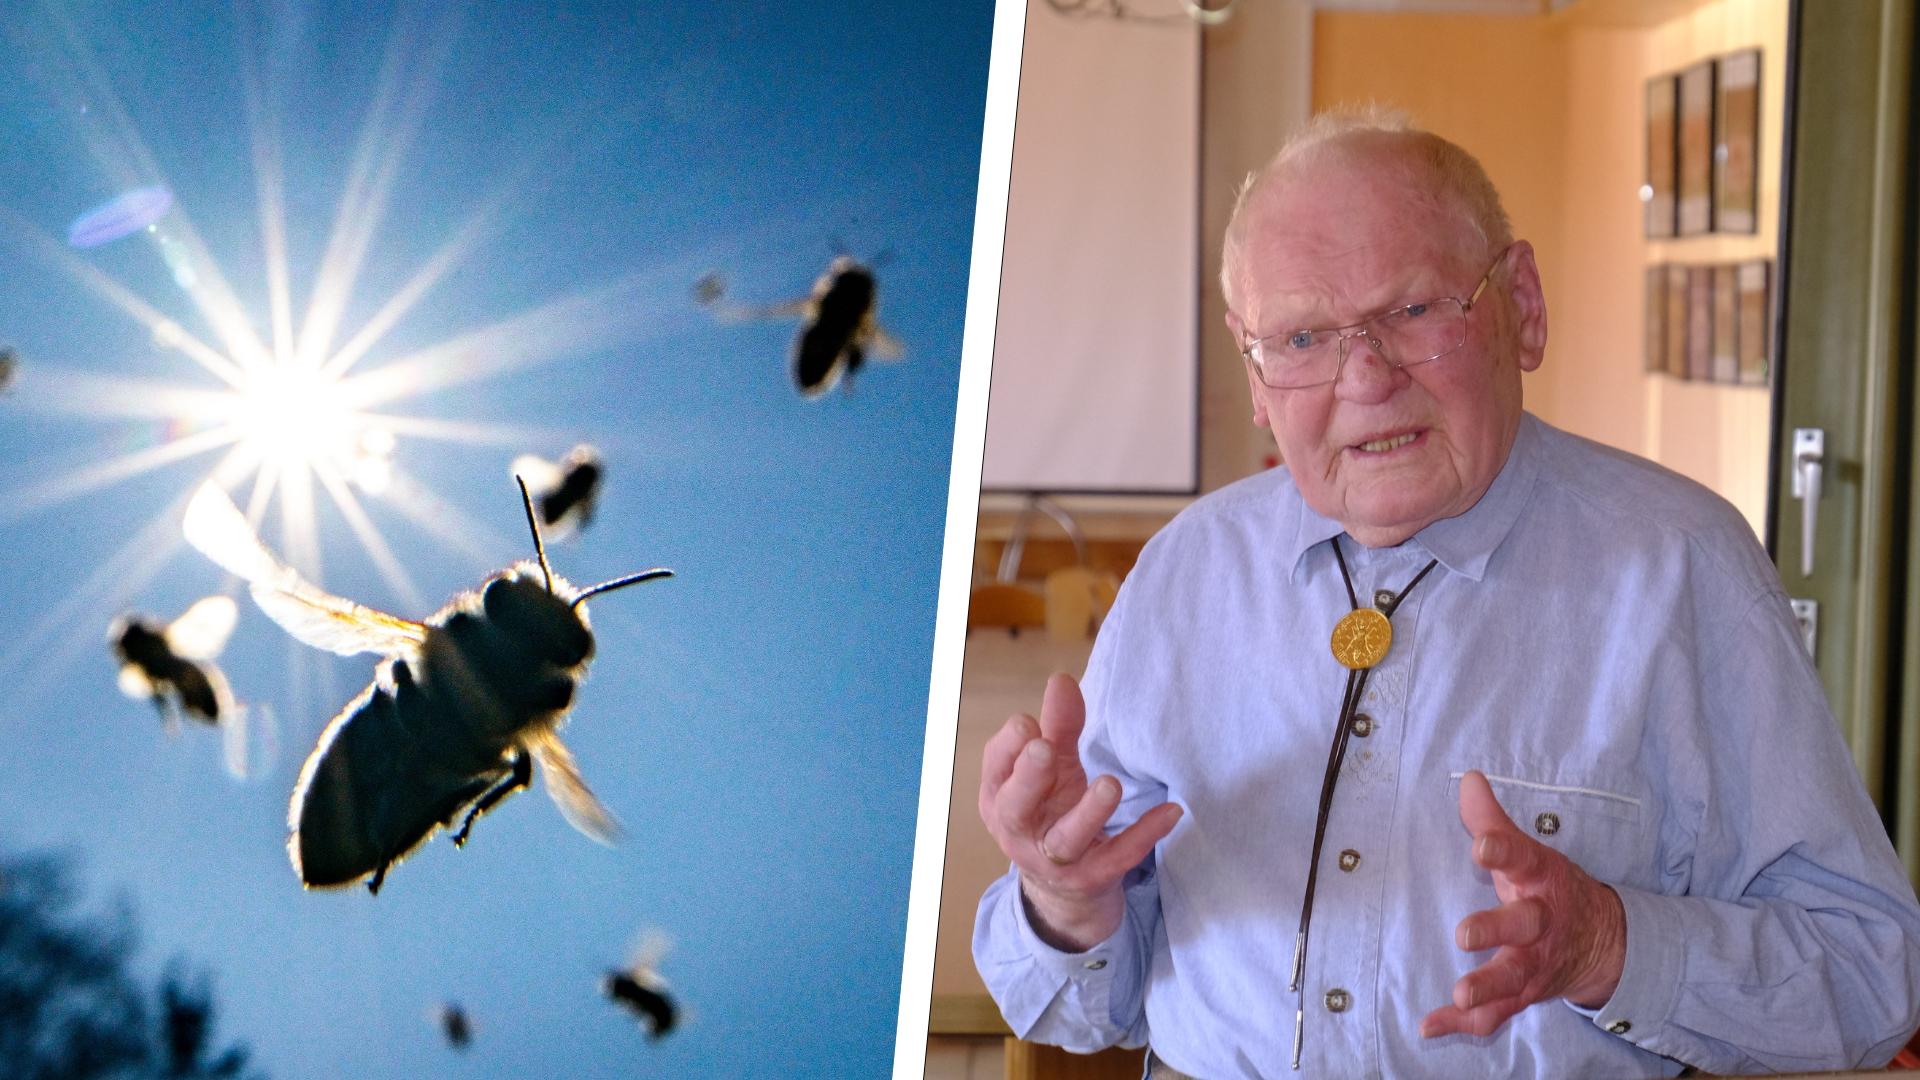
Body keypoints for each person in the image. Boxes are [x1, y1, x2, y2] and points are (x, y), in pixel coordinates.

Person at [971, 110, 1920, 1078]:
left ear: (1523, 306)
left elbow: (1872, 977)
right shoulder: (1185, 572)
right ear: (1253, 370)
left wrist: (1607, 946)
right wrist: (1065, 906)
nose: (1366, 378)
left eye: (1415, 311)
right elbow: (1076, 1009)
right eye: (1302, 337)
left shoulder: (1680, 564)